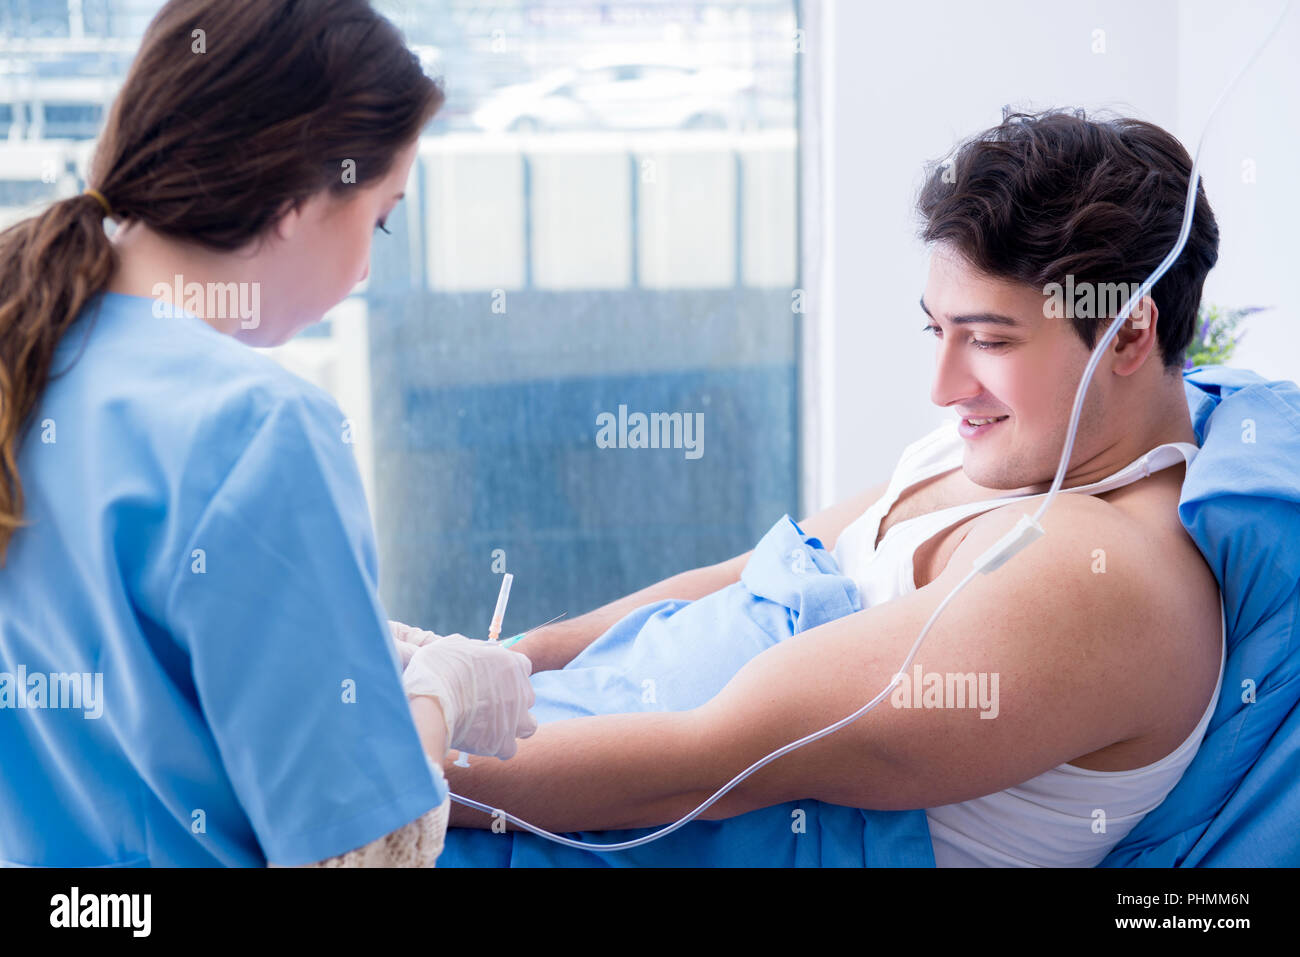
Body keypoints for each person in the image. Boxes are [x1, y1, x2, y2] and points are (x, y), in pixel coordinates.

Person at [437, 109, 1227, 867]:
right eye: (937, 330)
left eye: (988, 339)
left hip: (593, 817)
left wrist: (390, 779)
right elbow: (743, 574)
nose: (944, 387)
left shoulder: (1102, 576)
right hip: (556, 752)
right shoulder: (1013, 454)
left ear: (1127, 332)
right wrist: (507, 658)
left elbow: (707, 764)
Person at [0, 0, 534, 868]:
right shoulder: (256, 430)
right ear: (296, 196)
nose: (365, 268)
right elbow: (366, 857)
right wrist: (446, 695)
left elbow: (129, 652)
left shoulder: (28, 352)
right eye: (381, 215)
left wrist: (355, 640)